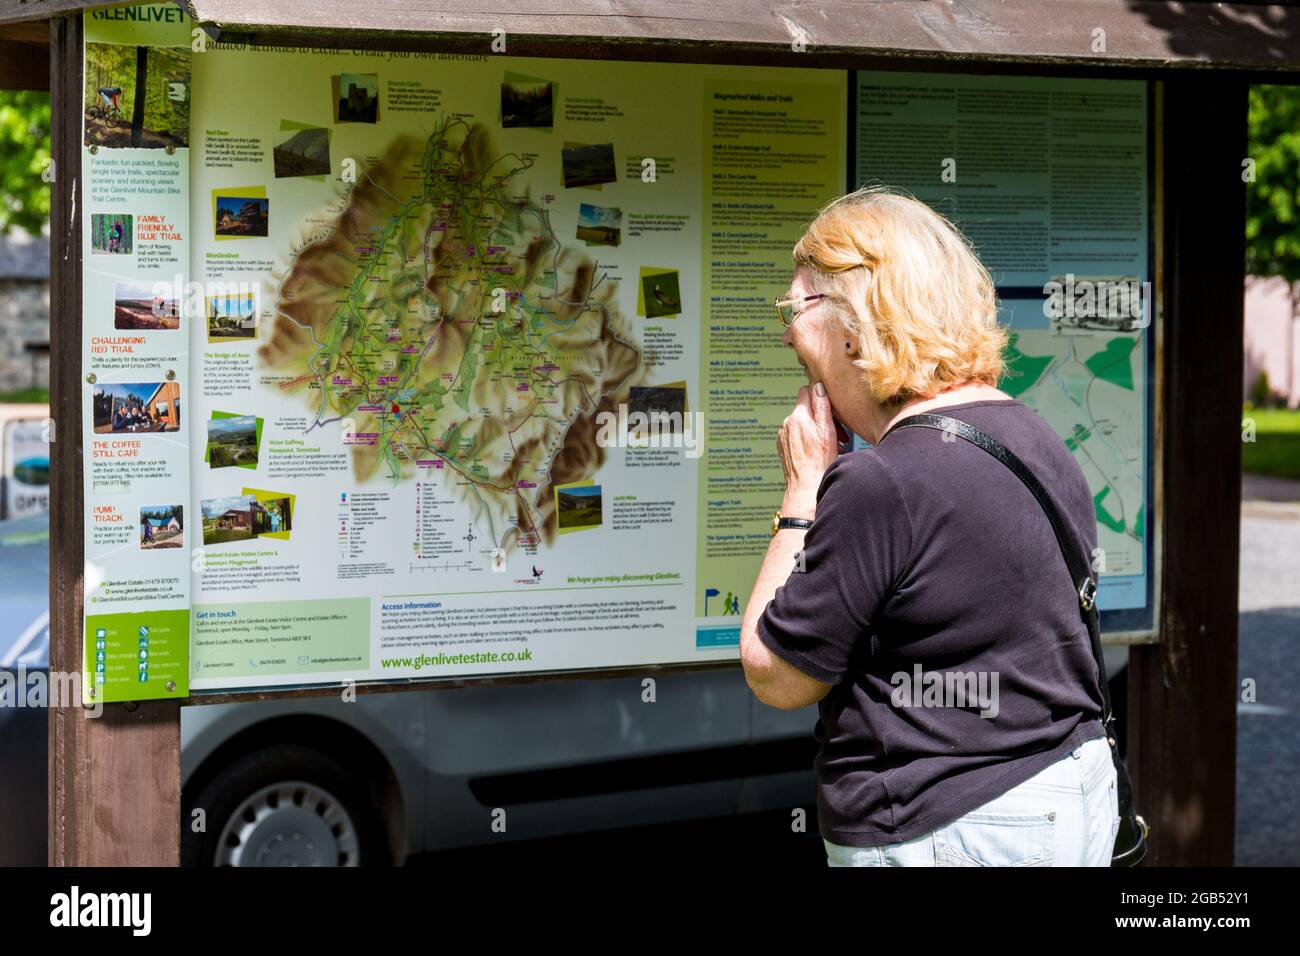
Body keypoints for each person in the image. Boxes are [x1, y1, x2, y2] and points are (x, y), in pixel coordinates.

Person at [739, 185, 1118, 867]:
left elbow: (777, 676)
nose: (786, 329)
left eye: (796, 309)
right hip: (1068, 795)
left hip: (952, 826)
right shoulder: (1033, 435)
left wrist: (802, 489)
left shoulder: (882, 480)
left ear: (852, 323)